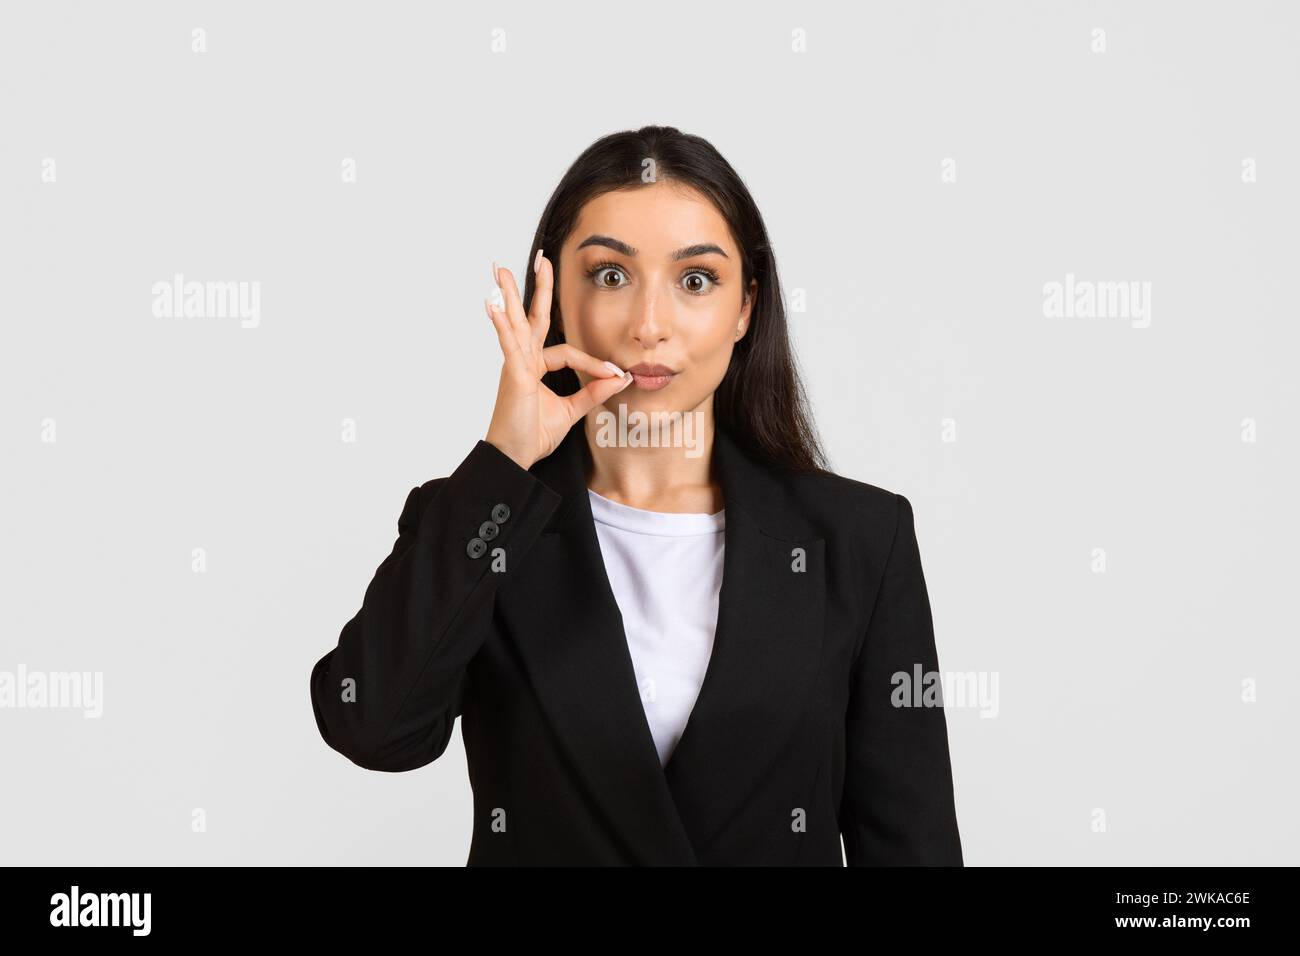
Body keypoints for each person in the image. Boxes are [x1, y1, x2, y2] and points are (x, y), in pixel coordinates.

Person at [309, 125, 963, 866]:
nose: (650, 327)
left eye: (695, 281)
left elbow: (914, 847)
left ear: (746, 307)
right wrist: (506, 459)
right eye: (611, 275)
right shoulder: (479, 522)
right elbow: (371, 726)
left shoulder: (858, 539)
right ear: (554, 299)